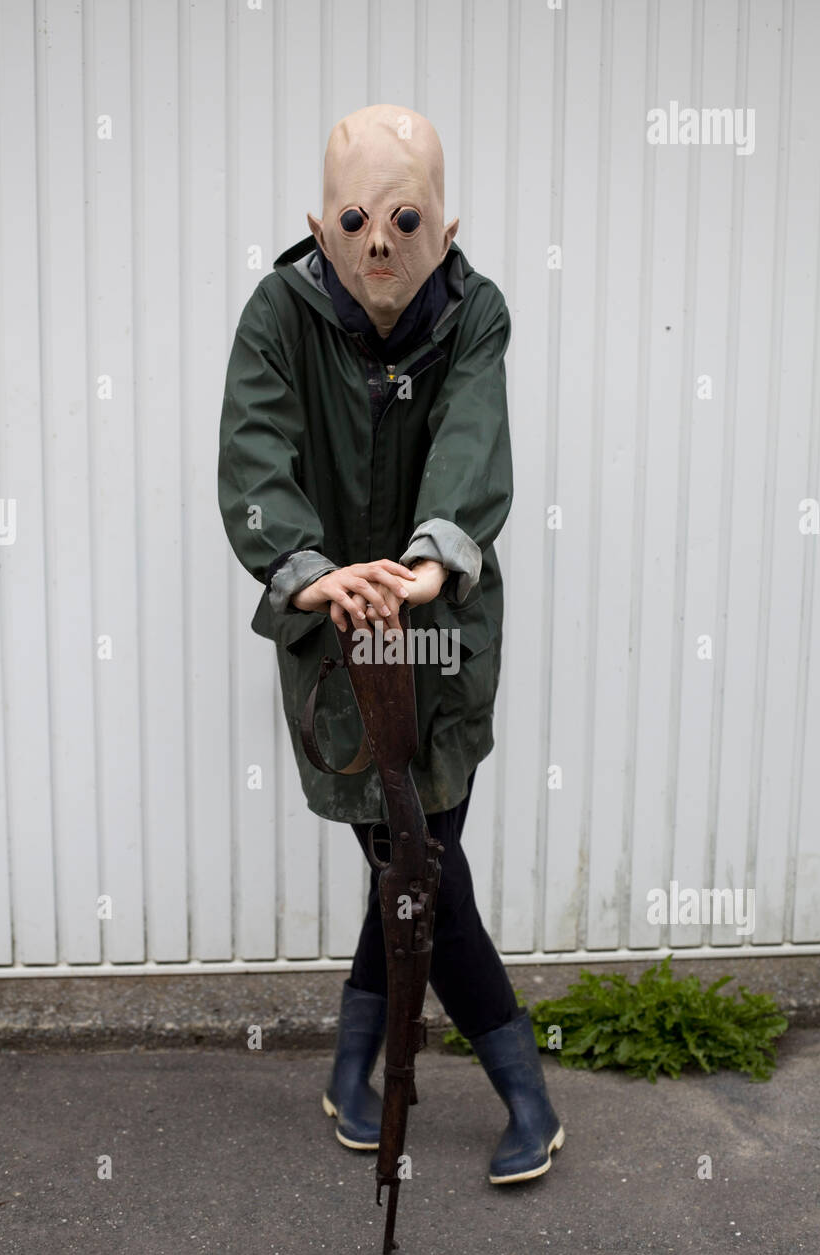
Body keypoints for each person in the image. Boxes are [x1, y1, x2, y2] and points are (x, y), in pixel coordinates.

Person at [218, 104, 563, 1183]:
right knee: (409, 856)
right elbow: (255, 454)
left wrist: (423, 563)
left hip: (439, 620)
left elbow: (470, 435)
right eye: (356, 216)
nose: (379, 241)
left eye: (405, 219)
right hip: (333, 631)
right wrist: (317, 572)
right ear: (317, 225)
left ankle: (353, 1069)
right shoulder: (276, 313)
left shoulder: (475, 314)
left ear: (444, 230)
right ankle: (521, 1091)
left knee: (418, 855)